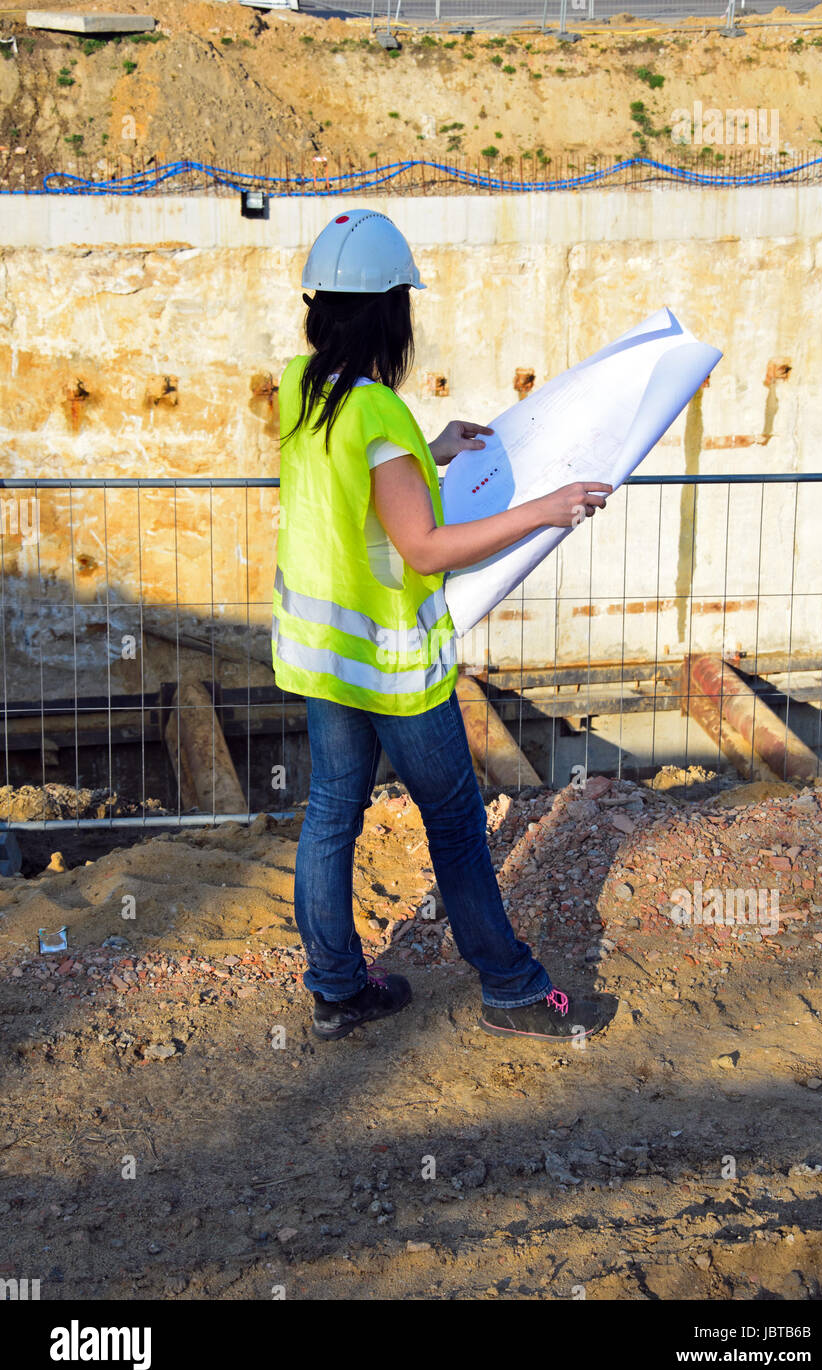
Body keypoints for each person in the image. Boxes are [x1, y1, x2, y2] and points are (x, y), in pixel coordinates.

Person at [274, 208, 614, 1044]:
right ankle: (511, 987)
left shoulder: (300, 384)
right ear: (394, 311)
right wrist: (545, 508)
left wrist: (429, 451)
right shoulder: (378, 411)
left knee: (329, 818)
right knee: (457, 824)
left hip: (323, 659)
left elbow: (352, 483)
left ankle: (338, 989)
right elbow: (422, 549)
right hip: (391, 667)